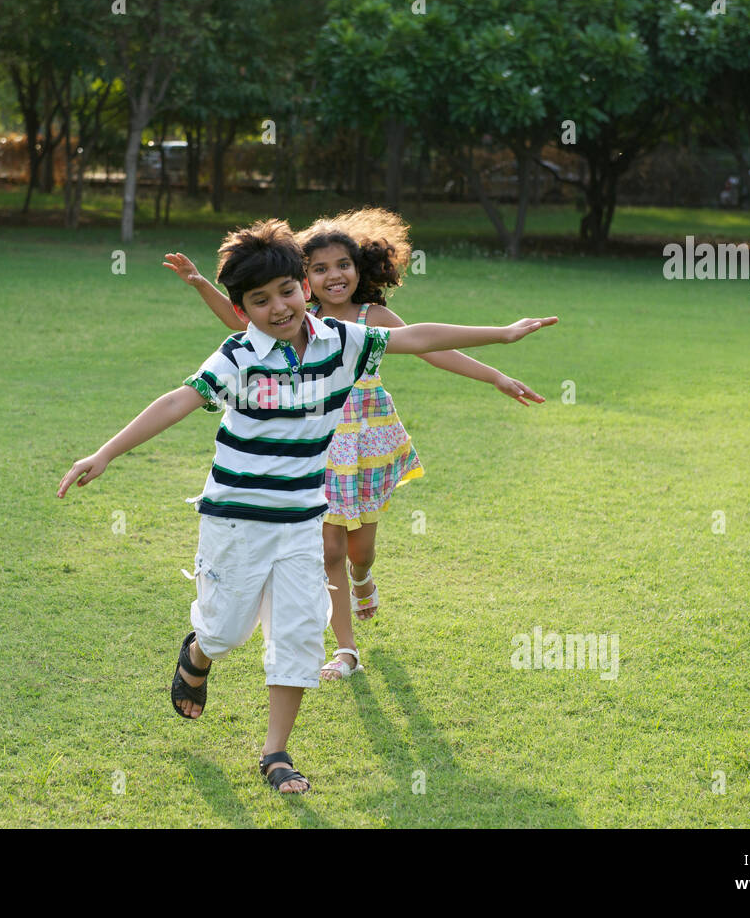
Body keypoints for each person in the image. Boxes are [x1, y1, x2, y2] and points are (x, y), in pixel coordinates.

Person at [59, 218, 556, 794]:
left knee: (298, 635)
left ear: (304, 286)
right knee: (226, 633)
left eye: (287, 291)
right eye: (260, 300)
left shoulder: (342, 342)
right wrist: (106, 453)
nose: (279, 308)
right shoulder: (239, 354)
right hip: (237, 520)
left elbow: (418, 336)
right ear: (242, 308)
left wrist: (503, 334)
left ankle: (276, 754)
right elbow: (178, 400)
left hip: (301, 520)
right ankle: (199, 654)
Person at [168, 207, 546, 681]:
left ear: (359, 267)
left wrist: (496, 372)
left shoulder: (368, 319)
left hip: (366, 443)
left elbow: (429, 345)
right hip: (313, 448)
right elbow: (239, 318)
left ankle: (363, 576)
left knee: (358, 551)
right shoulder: (296, 317)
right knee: (328, 550)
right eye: (319, 268)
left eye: (342, 265)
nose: (333, 276)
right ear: (303, 278)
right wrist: (203, 283)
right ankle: (345, 648)